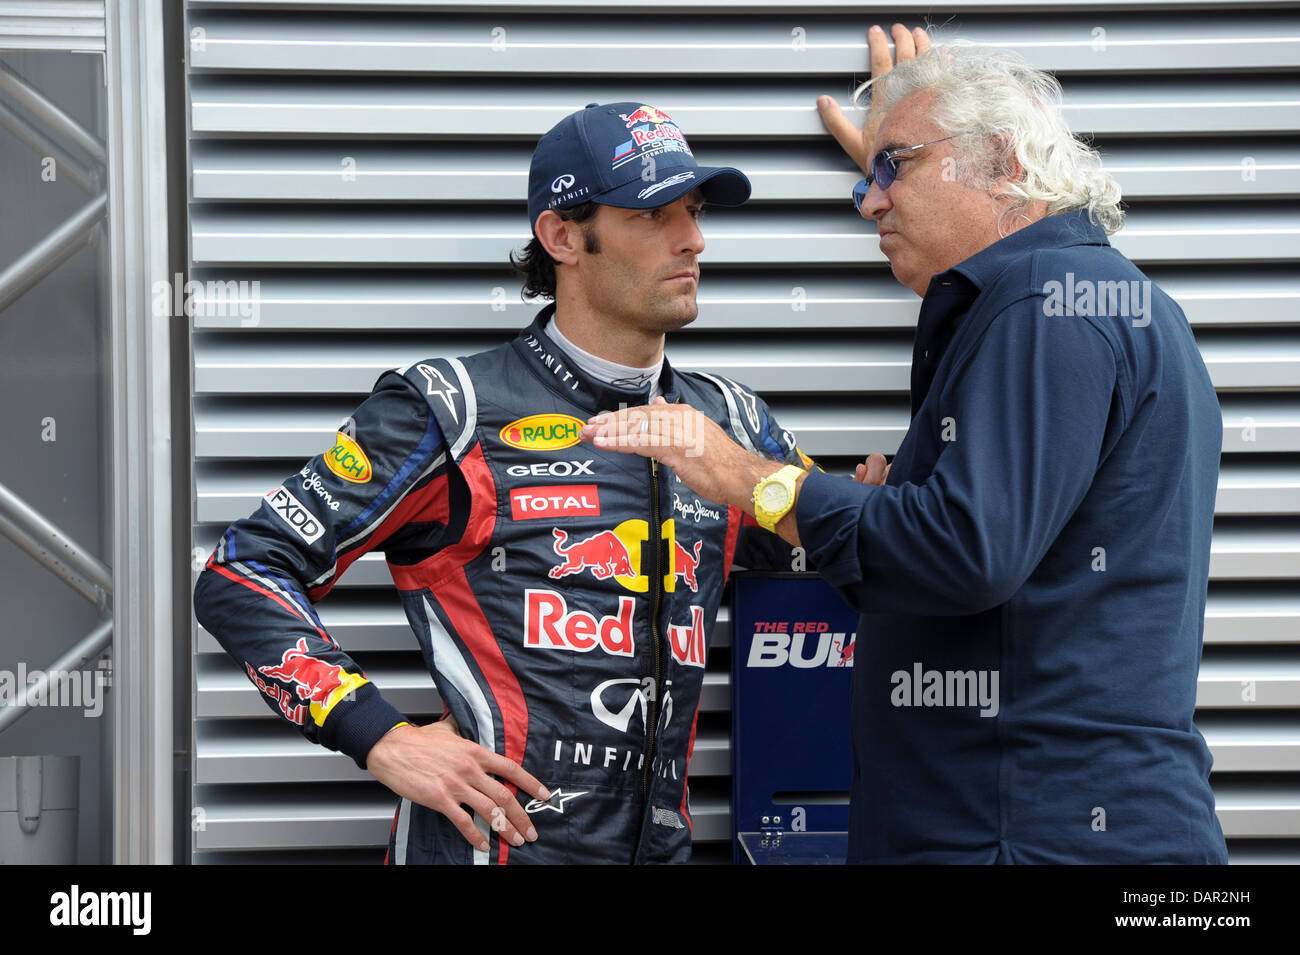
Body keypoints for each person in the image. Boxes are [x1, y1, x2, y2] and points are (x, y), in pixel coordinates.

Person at [584, 41, 1228, 864]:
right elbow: (992, 558)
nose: (869, 203)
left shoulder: (1044, 308)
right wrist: (885, 514)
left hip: (1023, 836)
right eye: (867, 176)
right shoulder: (1104, 302)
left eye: (893, 168)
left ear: (1000, 159)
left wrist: (748, 477)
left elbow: (964, 552)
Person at [192, 101, 810, 865]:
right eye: (653, 214)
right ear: (561, 236)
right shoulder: (452, 409)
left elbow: (854, 562)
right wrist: (379, 735)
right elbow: (240, 570)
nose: (693, 238)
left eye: (692, 210)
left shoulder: (734, 424)